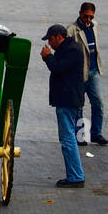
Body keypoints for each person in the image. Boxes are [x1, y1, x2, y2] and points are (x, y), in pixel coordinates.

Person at [41, 23, 85, 187]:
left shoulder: (72, 50)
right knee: (68, 138)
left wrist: (48, 57)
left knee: (68, 139)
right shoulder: (66, 48)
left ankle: (75, 176)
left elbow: (58, 68)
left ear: (59, 37)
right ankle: (75, 174)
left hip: (68, 100)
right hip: (67, 99)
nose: (50, 44)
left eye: (51, 40)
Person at [66, 3, 108, 146]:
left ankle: (96, 133)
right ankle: (80, 135)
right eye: (86, 16)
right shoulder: (72, 30)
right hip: (79, 74)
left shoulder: (94, 26)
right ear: (80, 14)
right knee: (79, 106)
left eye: (91, 17)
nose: (88, 20)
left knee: (98, 103)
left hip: (93, 72)